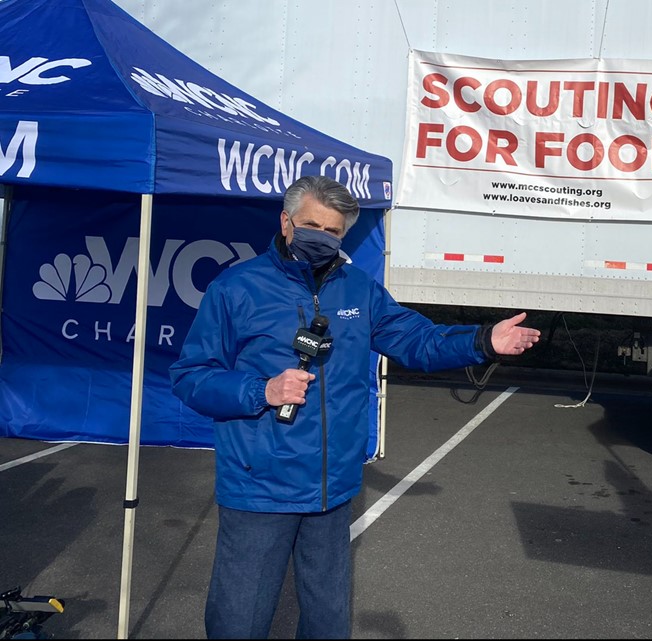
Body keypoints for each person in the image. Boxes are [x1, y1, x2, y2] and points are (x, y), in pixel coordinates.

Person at [170, 175, 541, 639]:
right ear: (285, 222)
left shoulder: (359, 290)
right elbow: (191, 377)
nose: (321, 238)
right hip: (261, 486)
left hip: (333, 486)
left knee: (327, 619)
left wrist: (484, 341)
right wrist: (260, 390)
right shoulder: (237, 288)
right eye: (310, 225)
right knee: (240, 618)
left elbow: (417, 340)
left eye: (333, 232)